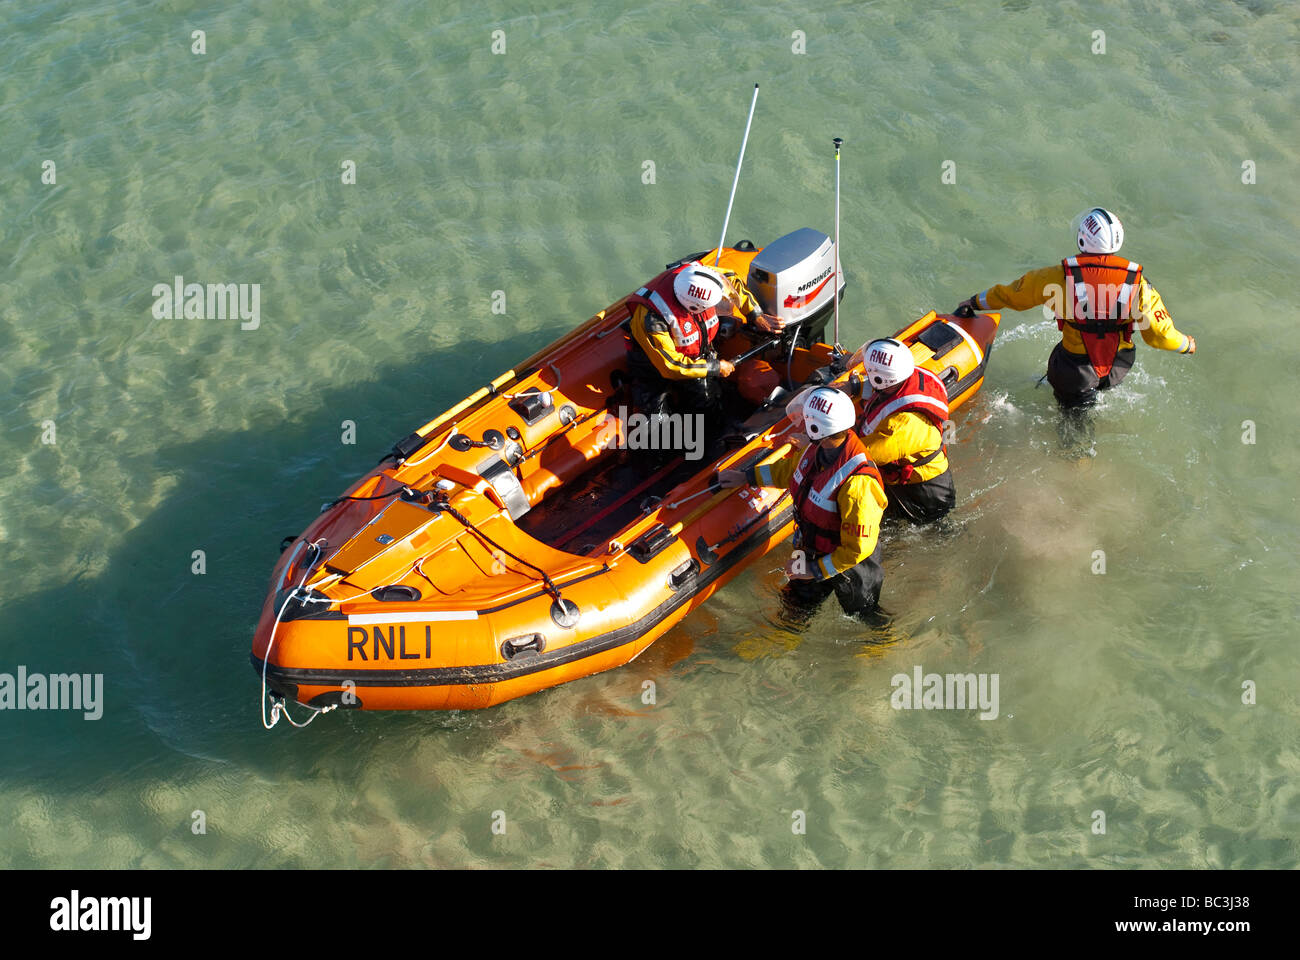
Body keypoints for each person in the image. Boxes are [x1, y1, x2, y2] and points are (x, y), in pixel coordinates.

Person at [953, 207, 1196, 409]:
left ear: (1082, 238)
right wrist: (1186, 344)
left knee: (1073, 421)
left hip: (1074, 371)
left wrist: (974, 302)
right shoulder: (1138, 284)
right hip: (1117, 368)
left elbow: (1011, 295)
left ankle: (1077, 455)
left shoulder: (1057, 277)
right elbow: (1160, 334)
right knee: (1100, 388)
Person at [718, 386, 888, 624]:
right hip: (810, 549)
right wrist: (747, 477)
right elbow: (789, 471)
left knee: (864, 616)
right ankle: (783, 646)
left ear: (818, 428)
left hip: (852, 564)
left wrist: (816, 570)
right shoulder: (815, 449)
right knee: (793, 609)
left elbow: (858, 548)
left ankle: (879, 646)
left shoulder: (858, 485)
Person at [627, 261, 785, 420]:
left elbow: (731, 281)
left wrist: (755, 315)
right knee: (656, 424)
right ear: (694, 308)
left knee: (709, 406)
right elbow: (671, 365)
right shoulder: (651, 319)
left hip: (696, 357)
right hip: (653, 368)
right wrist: (716, 367)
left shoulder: (699, 276)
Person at [855, 337, 955, 523]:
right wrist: (854, 386)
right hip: (919, 480)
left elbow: (859, 454)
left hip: (924, 494)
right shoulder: (906, 378)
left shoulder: (901, 425)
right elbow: (880, 388)